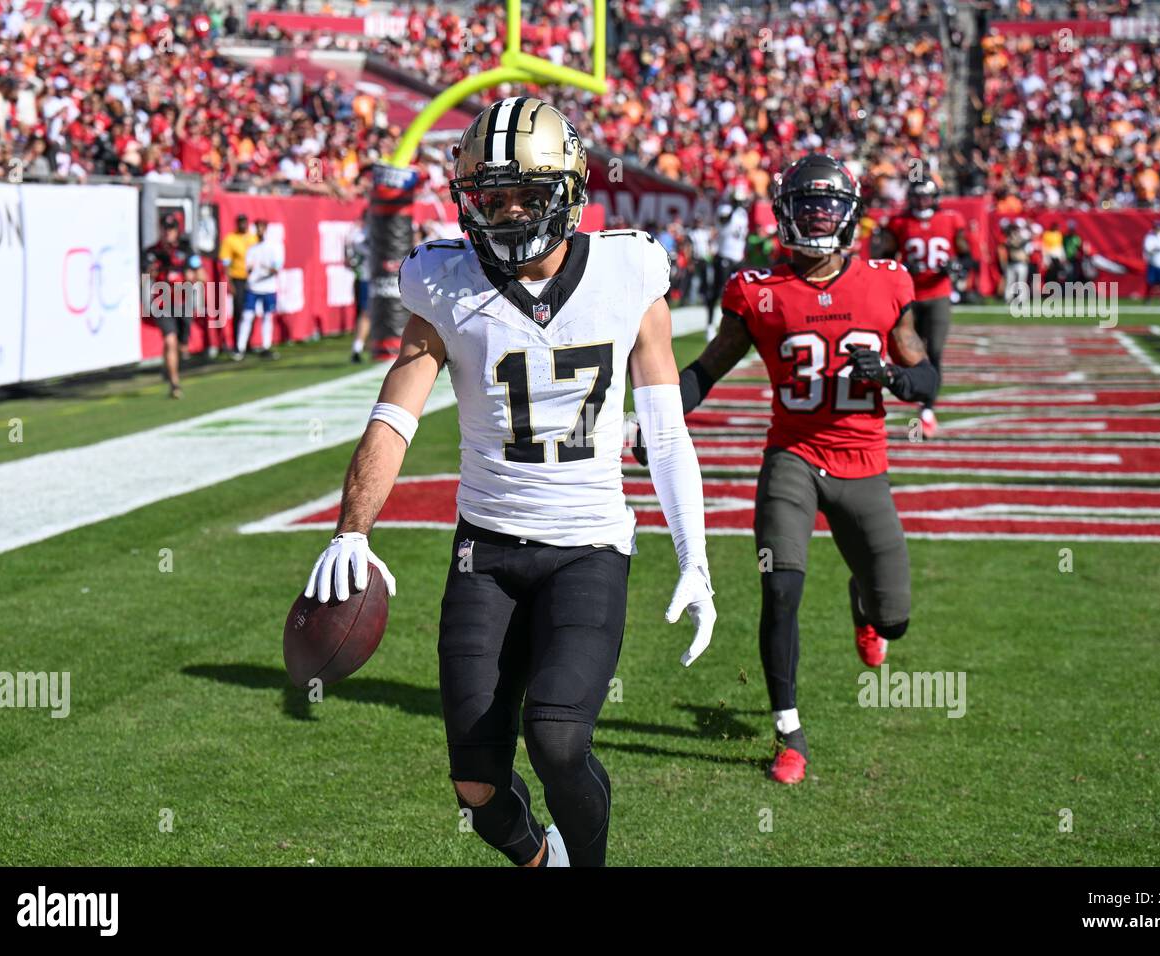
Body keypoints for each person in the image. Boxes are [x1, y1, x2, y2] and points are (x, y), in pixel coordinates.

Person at [301, 98, 716, 867]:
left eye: (528, 193)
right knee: (476, 786)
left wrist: (694, 555)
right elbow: (394, 418)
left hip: (587, 548)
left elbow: (662, 429)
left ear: (571, 191)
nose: (511, 212)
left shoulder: (629, 271)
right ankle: (541, 861)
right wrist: (350, 528)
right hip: (485, 551)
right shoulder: (444, 285)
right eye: (492, 197)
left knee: (558, 740)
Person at [638, 154, 935, 786]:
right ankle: (789, 733)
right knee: (780, 588)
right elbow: (704, 371)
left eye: (828, 206)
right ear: (785, 213)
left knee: (895, 619)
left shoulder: (886, 281)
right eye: (807, 205)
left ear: (850, 215)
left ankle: (864, 608)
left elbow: (926, 373)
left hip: (864, 463)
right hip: (793, 457)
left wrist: (896, 377)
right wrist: (658, 415)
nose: (817, 216)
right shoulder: (758, 292)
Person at [873, 178, 968, 440]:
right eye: (917, 197)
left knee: (935, 351)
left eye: (926, 197)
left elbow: (966, 255)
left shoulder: (951, 219)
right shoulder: (899, 222)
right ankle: (912, 392)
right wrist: (902, 270)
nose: (922, 202)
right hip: (909, 296)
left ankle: (927, 410)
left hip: (938, 294)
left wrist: (956, 268)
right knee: (909, 353)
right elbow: (885, 260)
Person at [142, 216, 199, 399]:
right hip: (162, 302)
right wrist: (150, 272)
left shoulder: (185, 250)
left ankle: (168, 366)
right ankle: (175, 384)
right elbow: (144, 274)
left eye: (172, 228)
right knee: (169, 340)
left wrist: (193, 277)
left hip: (183, 301)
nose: (168, 232)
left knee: (181, 346)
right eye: (165, 228)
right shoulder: (152, 252)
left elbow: (200, 273)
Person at [235, 220, 285, 360]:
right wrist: (251, 271)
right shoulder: (252, 249)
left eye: (261, 228)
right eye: (257, 228)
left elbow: (276, 268)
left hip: (268, 287)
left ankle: (266, 346)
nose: (259, 231)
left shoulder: (275, 247)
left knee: (267, 317)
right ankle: (240, 348)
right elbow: (248, 269)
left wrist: (265, 268)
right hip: (253, 287)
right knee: (247, 316)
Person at [706, 193, 750, 341]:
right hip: (724, 255)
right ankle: (710, 325)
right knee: (718, 291)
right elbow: (722, 222)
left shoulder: (743, 213)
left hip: (738, 258)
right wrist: (732, 210)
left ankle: (735, 325)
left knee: (739, 293)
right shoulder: (725, 209)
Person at [218, 214, 257, 357]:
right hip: (238, 279)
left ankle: (248, 342)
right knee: (239, 311)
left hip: (254, 279)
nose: (243, 225)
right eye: (240, 223)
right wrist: (229, 283)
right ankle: (237, 343)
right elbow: (226, 263)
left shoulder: (253, 238)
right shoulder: (230, 239)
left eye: (245, 223)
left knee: (251, 311)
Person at [346, 211, 371, 362]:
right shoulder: (360, 236)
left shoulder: (357, 234)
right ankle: (357, 347)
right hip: (367, 277)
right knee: (366, 313)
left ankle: (360, 346)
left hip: (368, 276)